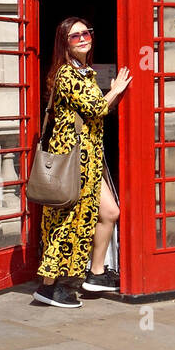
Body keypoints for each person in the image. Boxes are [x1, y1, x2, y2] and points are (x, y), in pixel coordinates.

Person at [32, 16, 131, 307]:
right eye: (75, 36)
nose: (83, 38)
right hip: (72, 160)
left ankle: (96, 273)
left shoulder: (85, 72)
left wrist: (111, 92)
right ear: (65, 43)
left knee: (110, 212)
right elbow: (96, 107)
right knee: (66, 223)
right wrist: (116, 89)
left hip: (90, 162)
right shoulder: (67, 74)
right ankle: (50, 287)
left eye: (86, 32)